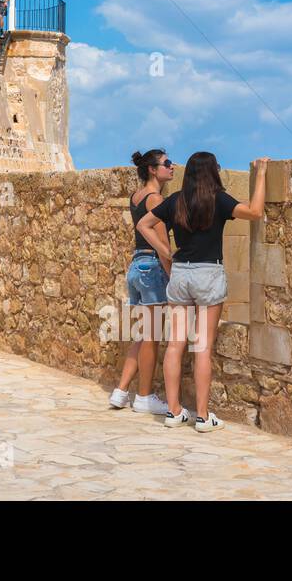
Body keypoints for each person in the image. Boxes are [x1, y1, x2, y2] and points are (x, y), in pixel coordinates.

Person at [136, 153, 269, 432]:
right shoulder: (218, 199)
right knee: (203, 347)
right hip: (208, 274)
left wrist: (166, 253)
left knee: (175, 345)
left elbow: (143, 225)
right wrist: (262, 174)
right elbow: (255, 212)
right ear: (212, 172)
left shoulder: (175, 200)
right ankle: (203, 416)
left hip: (181, 274)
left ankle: (173, 412)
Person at [109, 150, 175, 415]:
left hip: (136, 265)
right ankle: (145, 397)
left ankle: (121, 391)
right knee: (152, 336)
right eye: (167, 164)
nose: (172, 167)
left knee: (142, 333)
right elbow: (162, 243)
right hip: (152, 266)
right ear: (152, 169)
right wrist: (172, 275)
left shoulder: (135, 197)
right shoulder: (155, 199)